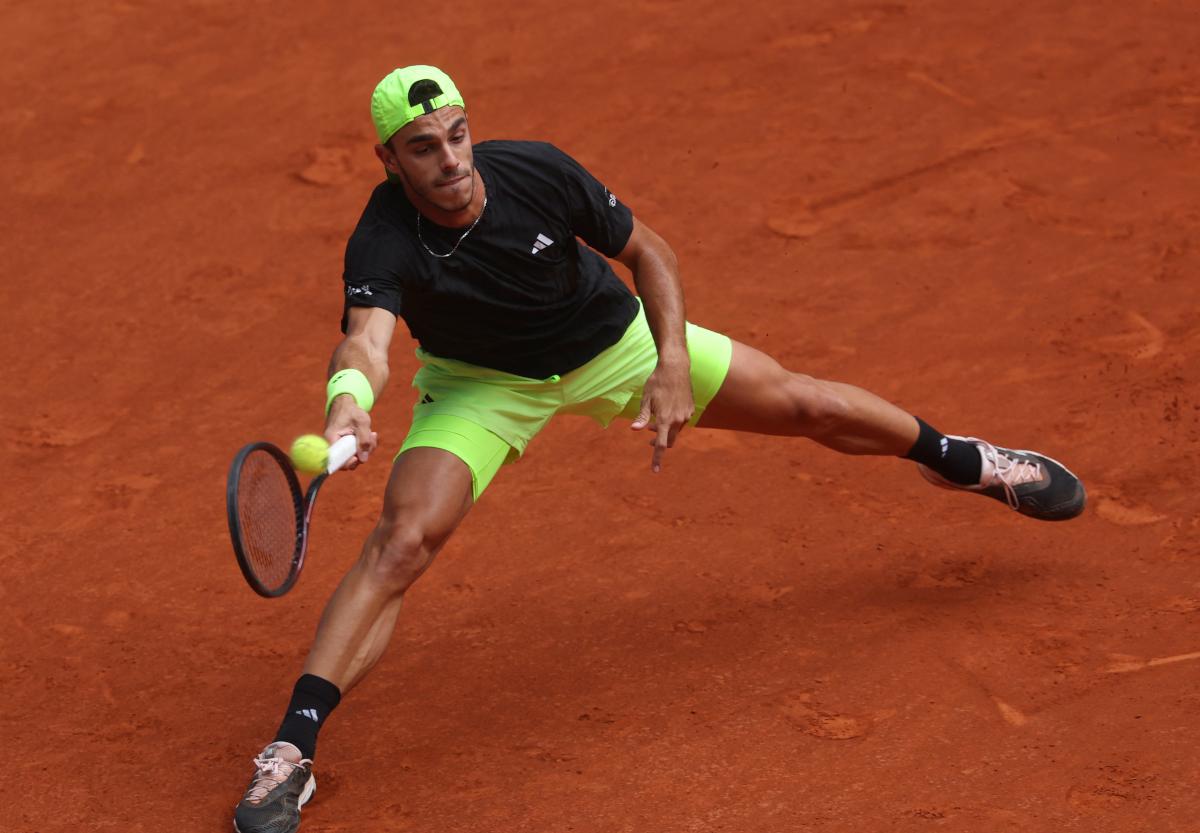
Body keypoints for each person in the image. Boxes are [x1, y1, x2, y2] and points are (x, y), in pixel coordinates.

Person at [232, 65, 1086, 833]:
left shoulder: (534, 169)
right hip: (483, 385)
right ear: (389, 159)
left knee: (806, 402)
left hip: (617, 343)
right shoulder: (381, 237)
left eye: (457, 135)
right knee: (402, 540)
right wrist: (347, 406)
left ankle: (962, 460)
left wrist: (671, 358)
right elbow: (367, 344)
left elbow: (651, 253)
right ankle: (292, 750)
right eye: (423, 148)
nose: (450, 160)